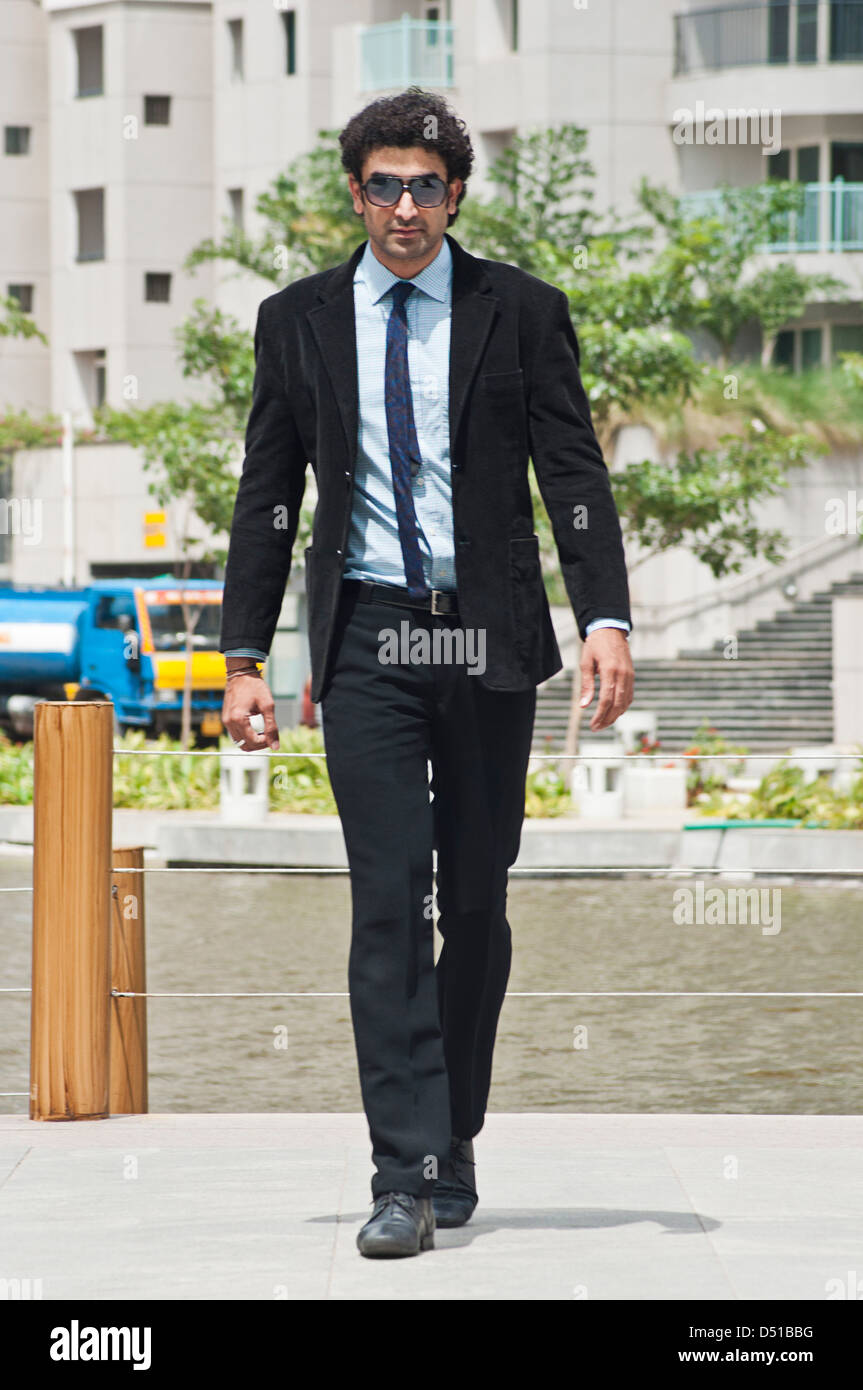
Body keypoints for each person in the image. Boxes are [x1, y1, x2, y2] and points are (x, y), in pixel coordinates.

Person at [220, 86, 634, 1259]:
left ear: (456, 194)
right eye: (385, 185)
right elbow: (267, 495)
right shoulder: (295, 320)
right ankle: (400, 1169)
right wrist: (242, 655)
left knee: (478, 901)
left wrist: (603, 613)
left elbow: (572, 470)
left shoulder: (521, 311)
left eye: (428, 186)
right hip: (371, 637)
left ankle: (455, 1133)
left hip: (484, 633)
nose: (406, 206)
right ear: (354, 193)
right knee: (388, 900)